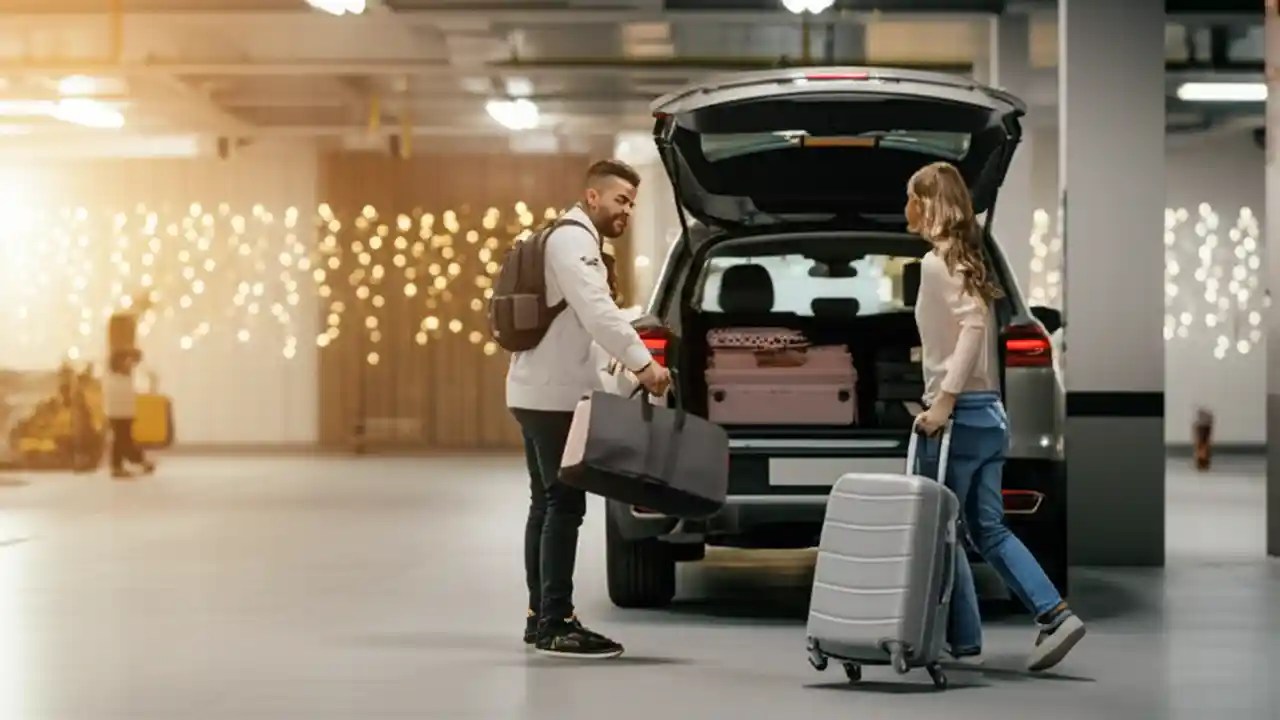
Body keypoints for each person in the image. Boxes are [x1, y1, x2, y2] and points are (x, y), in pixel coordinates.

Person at [906, 161, 1086, 673]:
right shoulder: (969, 261)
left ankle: (958, 638)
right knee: (987, 527)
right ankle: (1054, 614)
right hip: (989, 414)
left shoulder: (935, 263)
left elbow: (971, 332)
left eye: (911, 198)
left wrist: (942, 400)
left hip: (960, 415)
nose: (906, 209)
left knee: (941, 525)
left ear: (927, 203)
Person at [506, 159, 671, 659]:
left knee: (547, 503)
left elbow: (586, 317)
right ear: (592, 197)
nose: (627, 210)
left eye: (632, 202)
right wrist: (644, 365)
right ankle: (557, 623)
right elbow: (596, 312)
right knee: (564, 505)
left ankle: (542, 618)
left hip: (536, 390)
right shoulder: (573, 242)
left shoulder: (567, 239)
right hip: (554, 397)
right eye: (620, 199)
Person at [104, 349, 154, 479]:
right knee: (121, 441)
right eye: (126, 360)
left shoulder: (127, 375)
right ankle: (120, 466)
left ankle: (131, 462)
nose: (129, 363)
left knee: (124, 440)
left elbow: (137, 359)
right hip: (117, 413)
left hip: (126, 413)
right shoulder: (112, 376)